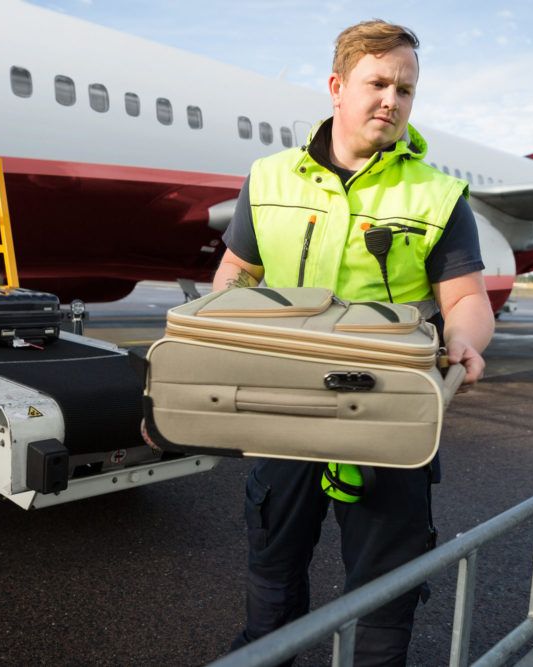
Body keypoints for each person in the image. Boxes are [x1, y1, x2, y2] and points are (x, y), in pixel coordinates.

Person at [212, 20, 495, 666]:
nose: (392, 100)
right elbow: (236, 273)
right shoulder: (269, 179)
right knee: (273, 573)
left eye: (405, 89)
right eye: (378, 83)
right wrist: (223, 320)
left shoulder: (438, 196)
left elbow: (465, 300)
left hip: (387, 415)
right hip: (286, 408)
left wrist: (466, 341)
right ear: (337, 87)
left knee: (384, 592)